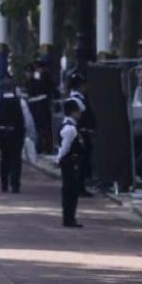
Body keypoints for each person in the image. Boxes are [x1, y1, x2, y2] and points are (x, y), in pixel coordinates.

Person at [0, 78, 36, 194]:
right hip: (17, 132)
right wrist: (30, 132)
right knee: (16, 157)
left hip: (3, 132)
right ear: (14, 89)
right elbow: (28, 119)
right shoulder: (20, 102)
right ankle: (15, 184)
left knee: (5, 157)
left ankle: (4, 184)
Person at [56, 96, 85, 228]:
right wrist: (59, 159)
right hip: (69, 161)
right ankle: (68, 218)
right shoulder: (70, 128)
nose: (80, 114)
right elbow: (65, 147)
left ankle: (70, 217)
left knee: (72, 190)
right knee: (70, 190)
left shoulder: (71, 126)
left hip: (71, 160)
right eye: (78, 111)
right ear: (73, 112)